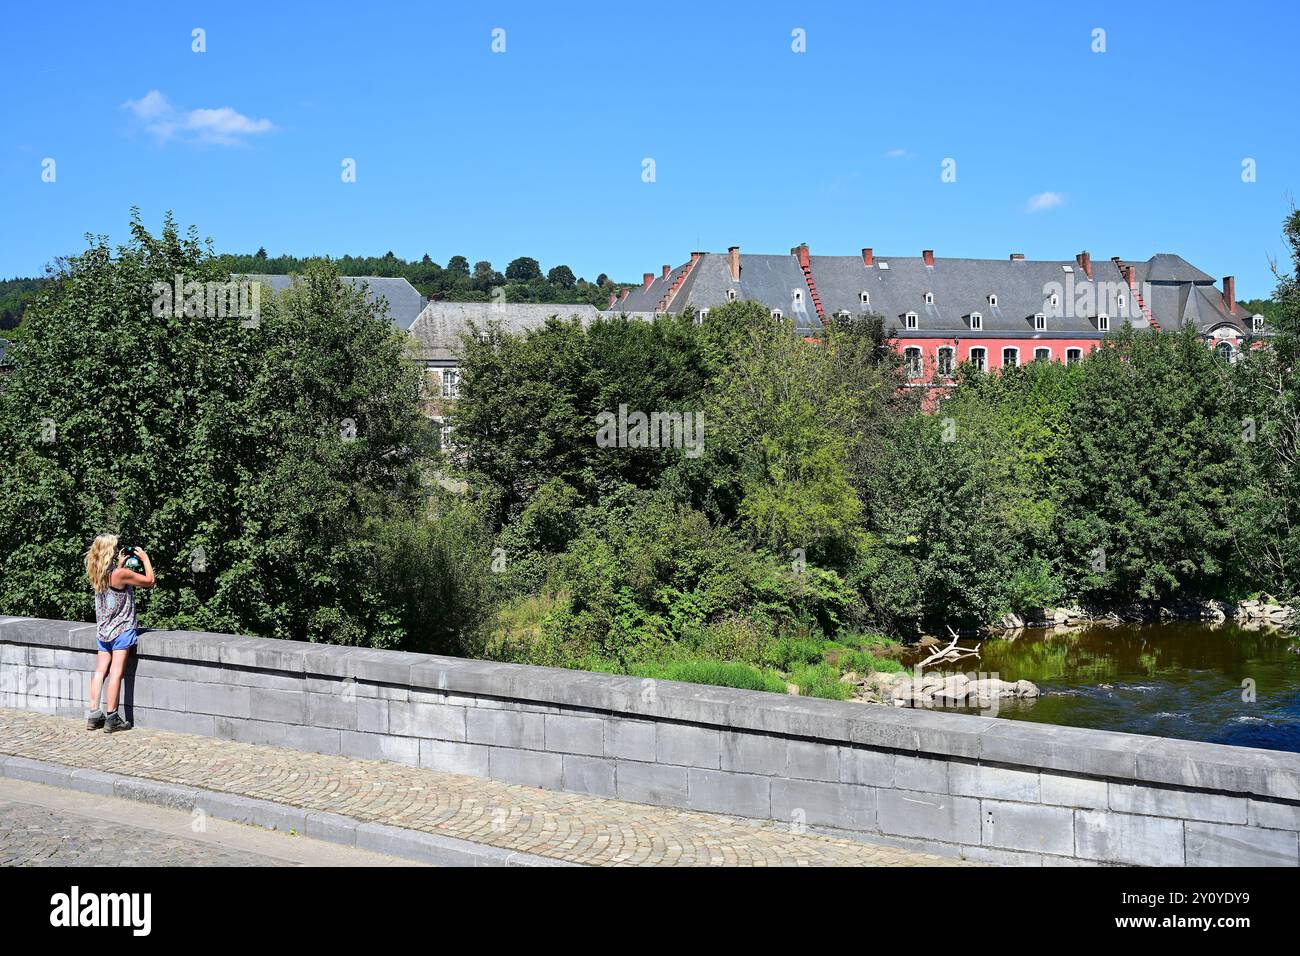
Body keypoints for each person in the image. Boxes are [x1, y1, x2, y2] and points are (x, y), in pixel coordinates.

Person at [83, 534, 155, 733]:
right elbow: (149, 581)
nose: (116, 551)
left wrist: (121, 564)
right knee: (116, 673)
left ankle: (94, 714)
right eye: (114, 549)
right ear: (109, 552)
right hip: (121, 630)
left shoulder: (96, 571)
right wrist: (145, 559)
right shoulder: (120, 574)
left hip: (103, 631)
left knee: (100, 672)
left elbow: (113, 582)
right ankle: (112, 717)